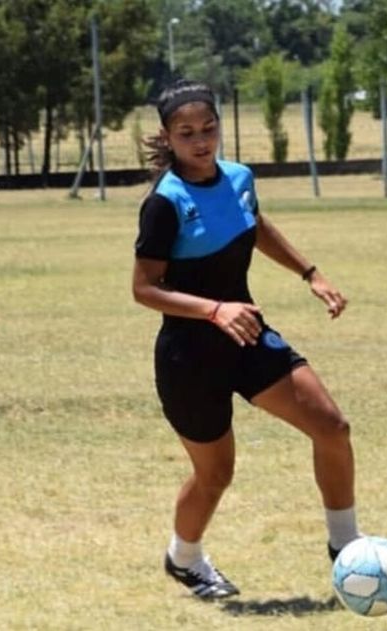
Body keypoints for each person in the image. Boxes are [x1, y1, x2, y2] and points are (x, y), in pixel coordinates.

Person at [132, 79, 361, 600]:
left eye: (208, 128)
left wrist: (311, 273)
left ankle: (346, 547)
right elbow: (144, 288)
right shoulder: (165, 204)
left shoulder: (239, 178)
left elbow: (253, 225)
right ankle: (184, 558)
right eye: (186, 132)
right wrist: (214, 309)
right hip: (189, 358)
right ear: (168, 137)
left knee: (332, 426)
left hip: (248, 339)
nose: (200, 140)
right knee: (215, 474)